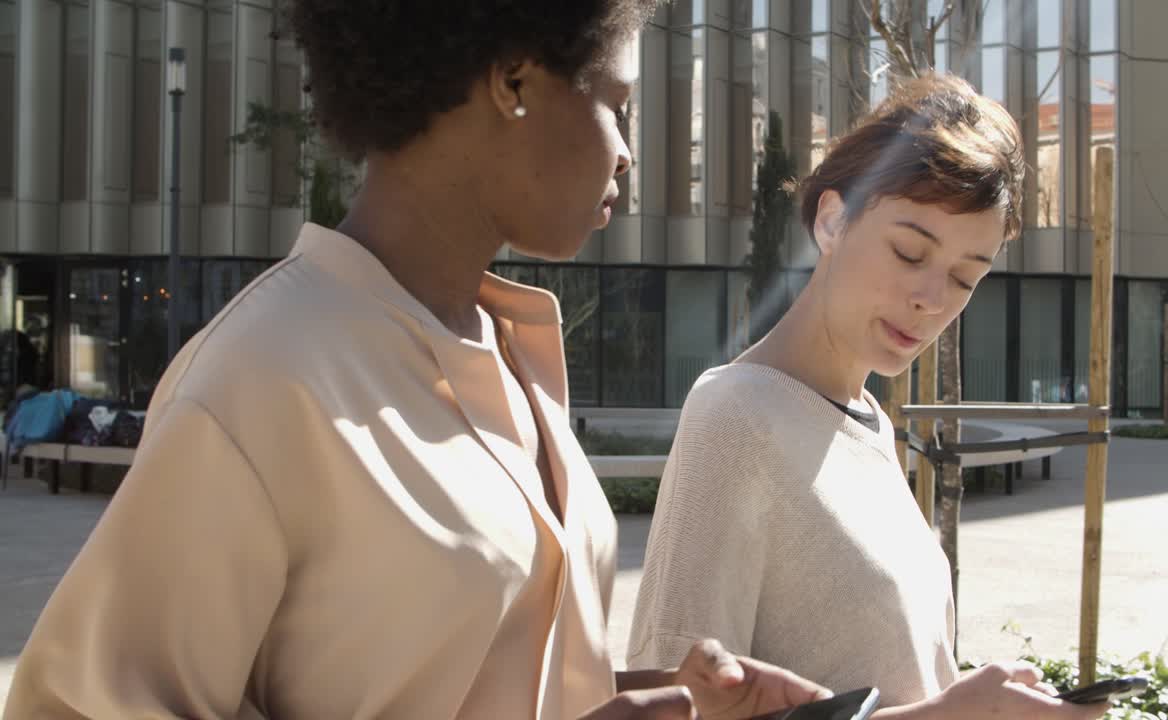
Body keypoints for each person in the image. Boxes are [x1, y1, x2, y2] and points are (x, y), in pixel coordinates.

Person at [2, 2, 833, 719]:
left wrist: (663, 695)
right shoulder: (263, 377)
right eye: (617, 104)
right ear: (513, 81)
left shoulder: (510, 351)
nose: (625, 152)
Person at [626, 74, 1109, 720]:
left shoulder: (873, 428)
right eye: (910, 252)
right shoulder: (736, 418)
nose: (932, 299)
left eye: (966, 278)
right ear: (833, 219)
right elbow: (673, 708)